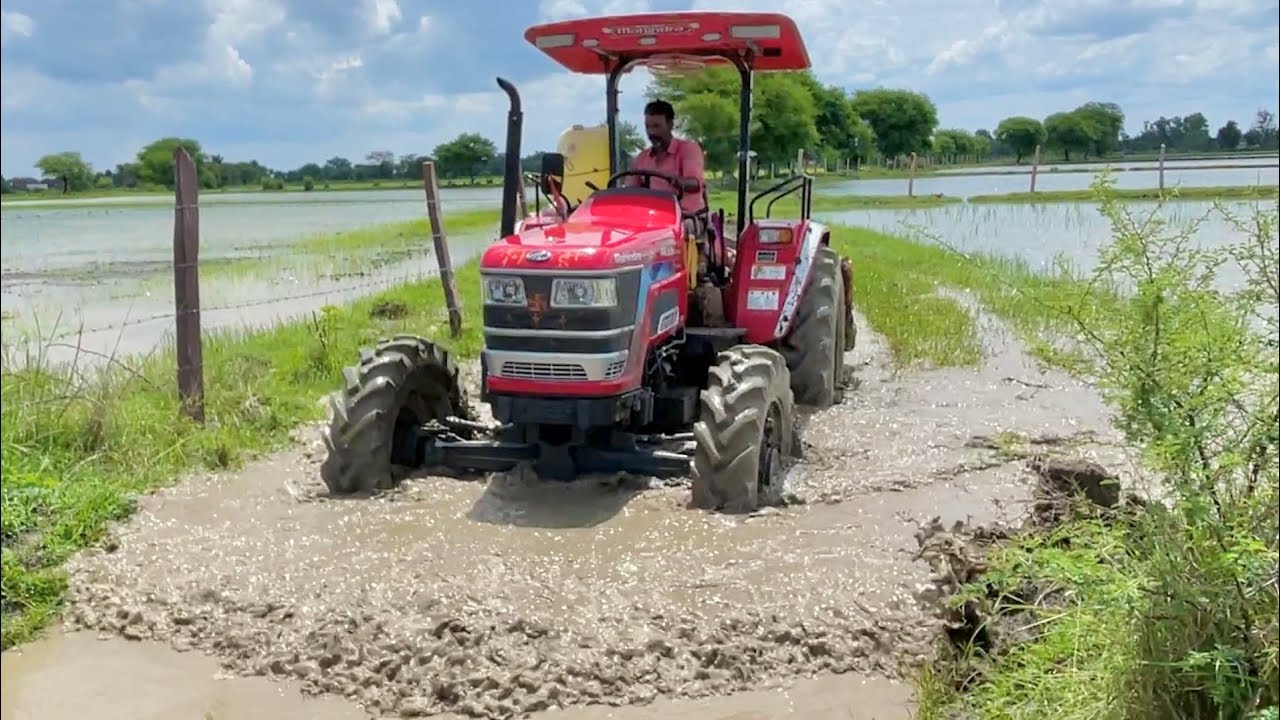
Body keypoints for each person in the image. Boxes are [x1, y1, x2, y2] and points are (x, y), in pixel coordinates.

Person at [626, 99, 707, 231]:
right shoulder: (641, 159)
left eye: (656, 126)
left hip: (686, 217)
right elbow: (630, 191)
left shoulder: (688, 150)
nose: (651, 133)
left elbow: (695, 184)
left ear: (670, 125)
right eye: (648, 127)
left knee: (681, 230)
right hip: (652, 217)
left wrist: (679, 182)